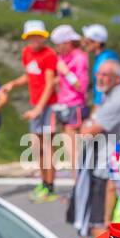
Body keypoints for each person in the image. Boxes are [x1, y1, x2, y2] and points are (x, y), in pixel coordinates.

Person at [0, 19, 58, 202]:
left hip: (47, 106)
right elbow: (30, 75)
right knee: (37, 146)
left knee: (48, 147)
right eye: (31, 37)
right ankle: (43, 181)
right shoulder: (27, 53)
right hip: (36, 106)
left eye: (38, 37)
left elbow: (49, 84)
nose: (34, 40)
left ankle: (50, 186)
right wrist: (13, 84)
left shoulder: (49, 54)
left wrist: (38, 109)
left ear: (43, 37)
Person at [73, 58, 120, 237]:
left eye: (105, 75)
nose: (99, 78)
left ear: (117, 79)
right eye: (98, 73)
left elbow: (86, 132)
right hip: (104, 162)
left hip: (107, 166)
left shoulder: (119, 100)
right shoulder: (110, 93)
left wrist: (89, 122)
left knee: (99, 222)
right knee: (99, 219)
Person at [51, 25, 90, 185]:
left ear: (67, 42)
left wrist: (66, 72)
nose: (57, 48)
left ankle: (79, 185)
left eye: (58, 45)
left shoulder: (79, 58)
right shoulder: (63, 58)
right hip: (64, 105)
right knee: (70, 151)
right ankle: (78, 184)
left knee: (74, 151)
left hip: (75, 106)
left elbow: (81, 86)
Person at [81, 23, 119, 107]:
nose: (84, 44)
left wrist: (97, 108)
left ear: (97, 43)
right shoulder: (102, 57)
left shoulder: (105, 59)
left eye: (87, 41)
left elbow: (104, 87)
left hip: (106, 105)